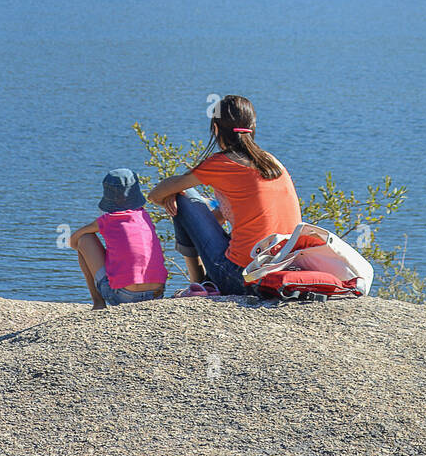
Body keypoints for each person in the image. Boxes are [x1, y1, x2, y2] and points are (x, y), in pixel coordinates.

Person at [147, 95, 301, 296]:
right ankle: (203, 281)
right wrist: (200, 221)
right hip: (281, 269)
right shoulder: (272, 162)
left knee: (183, 195)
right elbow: (240, 212)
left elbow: (155, 194)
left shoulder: (222, 163)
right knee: (182, 195)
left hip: (239, 278)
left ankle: (198, 282)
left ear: (217, 129)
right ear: (253, 128)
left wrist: (172, 198)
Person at [70, 168, 167, 309]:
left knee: (84, 239)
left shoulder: (108, 220)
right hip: (157, 294)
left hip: (125, 295)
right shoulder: (144, 216)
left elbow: (74, 240)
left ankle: (98, 303)